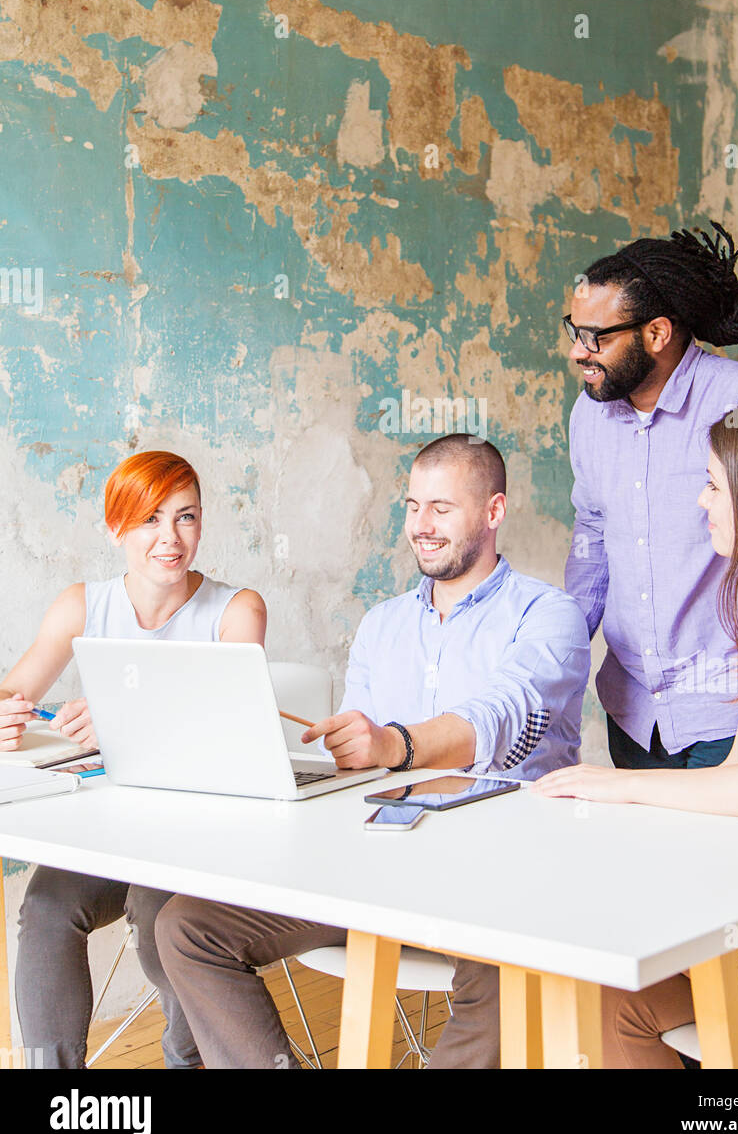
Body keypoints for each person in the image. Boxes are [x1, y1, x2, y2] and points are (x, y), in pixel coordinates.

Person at [156, 433, 590, 1069]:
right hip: (374, 857)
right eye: (412, 506)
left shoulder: (548, 615)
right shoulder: (382, 625)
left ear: (493, 512)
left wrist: (394, 743)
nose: (420, 526)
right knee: (185, 927)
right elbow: (356, 771)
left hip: (499, 865)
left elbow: (499, 714)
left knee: (509, 966)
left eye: (441, 508)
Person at [536, 395, 738, 1065]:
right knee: (613, 998)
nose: (702, 503)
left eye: (714, 485)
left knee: (613, 937)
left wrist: (622, 788)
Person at [0, 450, 266, 1069]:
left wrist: (125, 722)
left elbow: (234, 735)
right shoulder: (82, 606)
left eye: (186, 517)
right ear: (116, 526)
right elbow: (14, 693)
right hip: (110, 835)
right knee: (43, 909)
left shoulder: (237, 611)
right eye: (149, 519)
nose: (169, 539)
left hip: (197, 837)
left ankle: (187, 1058)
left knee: (157, 915)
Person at [563, 221, 738, 770]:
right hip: (633, 712)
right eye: (574, 329)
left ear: (657, 333)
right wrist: (559, 648)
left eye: (597, 337)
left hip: (730, 710)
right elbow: (593, 534)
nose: (577, 352)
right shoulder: (589, 417)